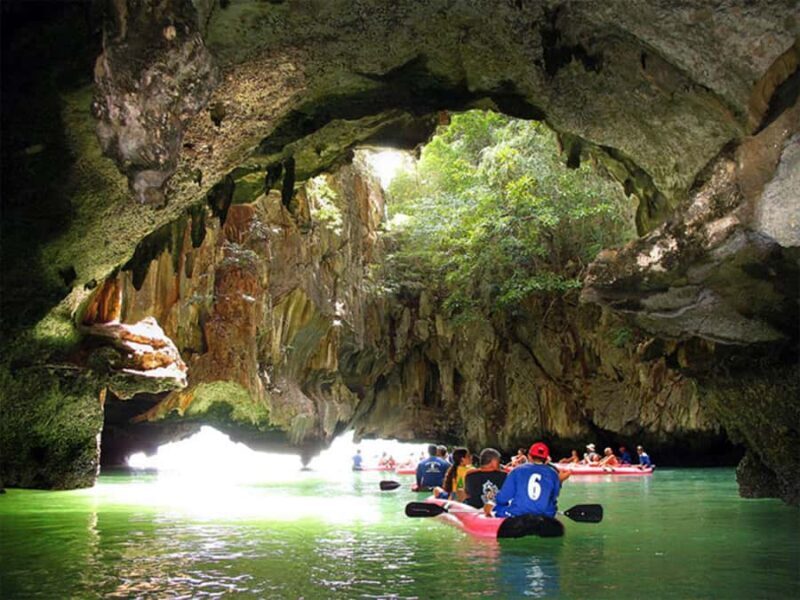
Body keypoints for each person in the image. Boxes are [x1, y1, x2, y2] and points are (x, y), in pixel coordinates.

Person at [485, 442, 569, 518]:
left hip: (519, 514)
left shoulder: (517, 470)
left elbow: (503, 498)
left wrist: (493, 500)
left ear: (529, 456)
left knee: (499, 506)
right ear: (546, 459)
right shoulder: (553, 473)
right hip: (546, 514)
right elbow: (554, 497)